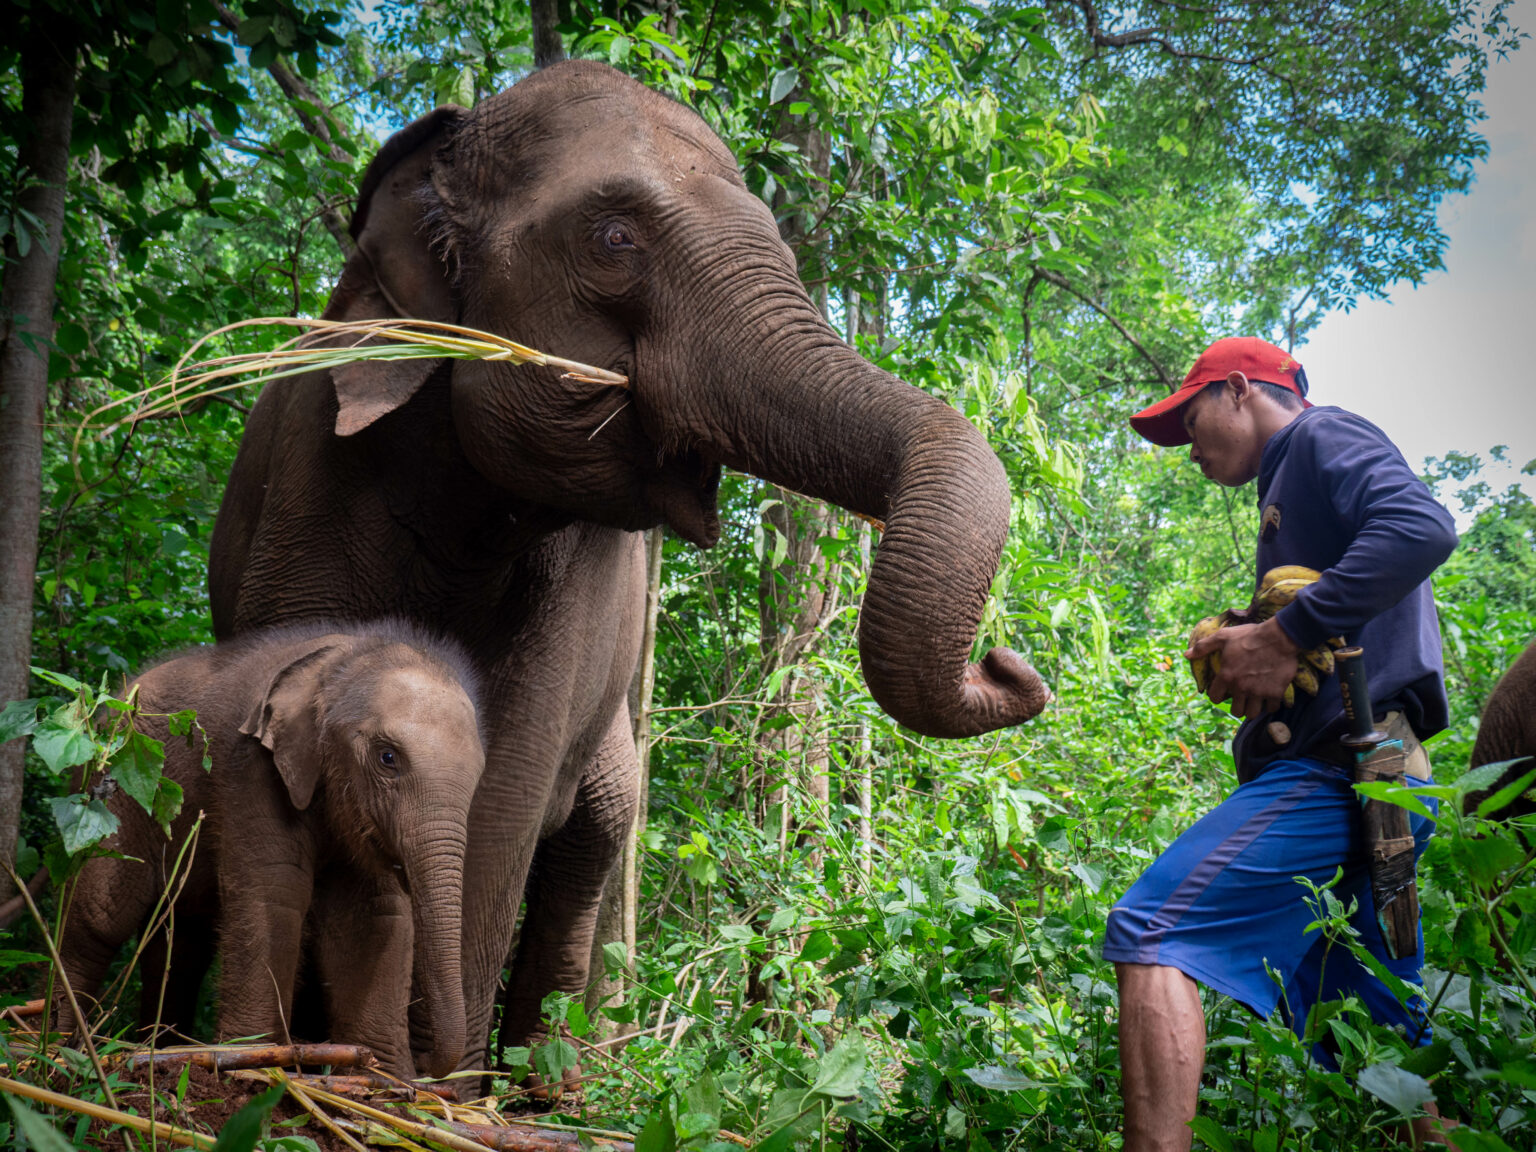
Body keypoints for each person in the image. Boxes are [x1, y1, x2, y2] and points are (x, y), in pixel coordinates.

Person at [1105, 337, 1460, 1150]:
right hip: (1387, 781)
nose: (1187, 447)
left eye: (1188, 420)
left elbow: (1421, 527)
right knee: (1375, 1043)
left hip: (1340, 773)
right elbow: (1332, 631)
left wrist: (1284, 632)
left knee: (1154, 933)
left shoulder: (1318, 436)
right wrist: (1252, 637)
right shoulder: (1289, 491)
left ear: (1237, 390)